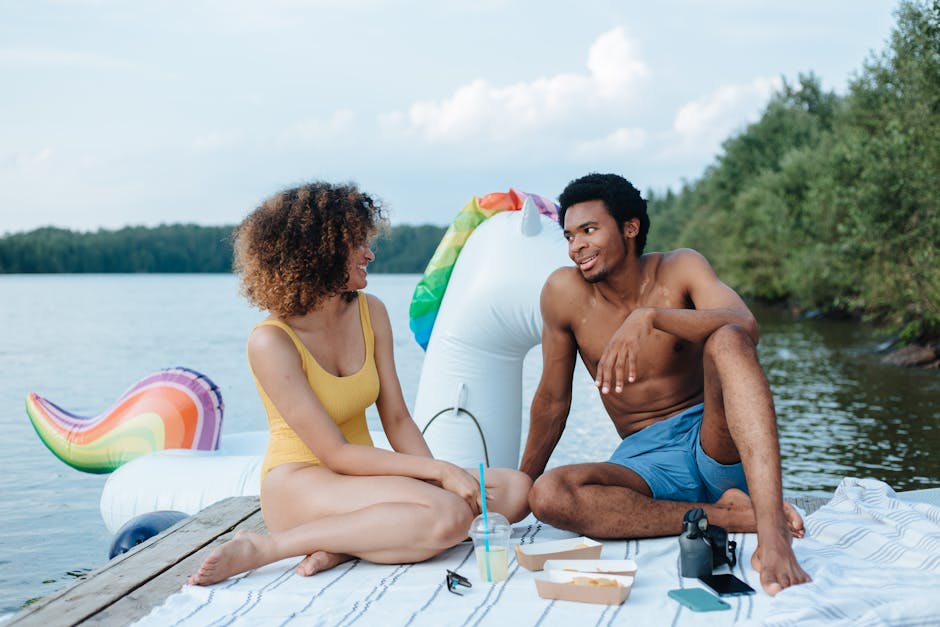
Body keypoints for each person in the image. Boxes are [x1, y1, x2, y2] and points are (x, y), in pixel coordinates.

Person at [189, 182, 531, 586]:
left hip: (359, 478)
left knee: (515, 490)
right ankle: (267, 548)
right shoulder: (271, 341)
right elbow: (335, 453)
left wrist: (435, 478)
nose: (369, 253)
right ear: (319, 252)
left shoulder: (372, 312)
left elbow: (399, 419)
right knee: (450, 516)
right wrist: (439, 475)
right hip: (300, 482)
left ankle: (347, 542)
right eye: (356, 243)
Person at [520, 173, 810, 596]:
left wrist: (651, 317)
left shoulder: (680, 268)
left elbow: (746, 324)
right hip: (648, 459)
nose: (575, 246)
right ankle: (731, 515)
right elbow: (551, 401)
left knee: (728, 338)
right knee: (550, 496)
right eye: (569, 235)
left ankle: (773, 536)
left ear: (630, 227)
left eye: (588, 230)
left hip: (716, 437)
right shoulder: (563, 292)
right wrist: (522, 486)